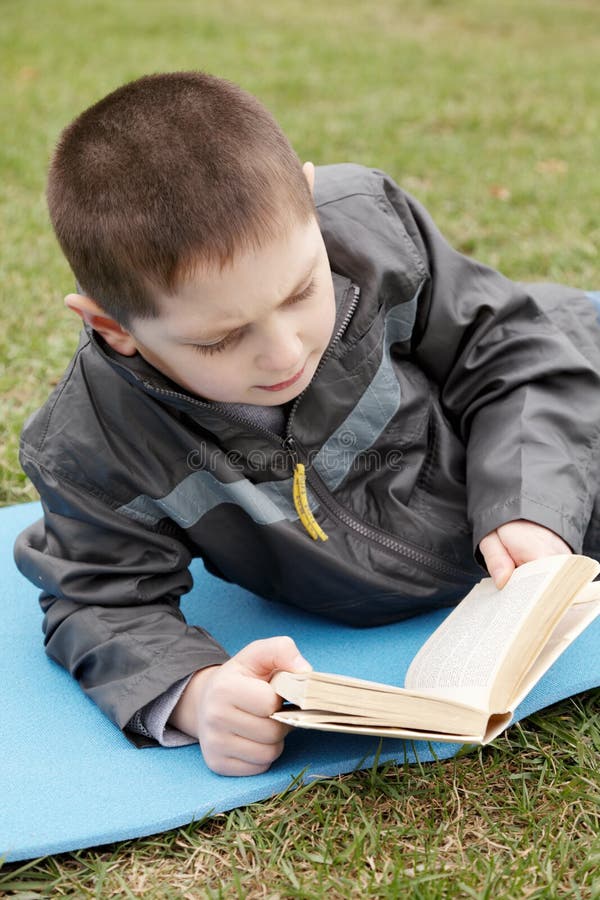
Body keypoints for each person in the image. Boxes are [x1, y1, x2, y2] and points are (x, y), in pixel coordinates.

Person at [14, 71, 600, 777]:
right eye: (220, 339)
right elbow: (96, 599)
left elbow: (517, 353)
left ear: (311, 197)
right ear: (114, 329)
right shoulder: (92, 446)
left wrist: (532, 502)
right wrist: (199, 697)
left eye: (300, 292)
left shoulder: (369, 228)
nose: (285, 352)